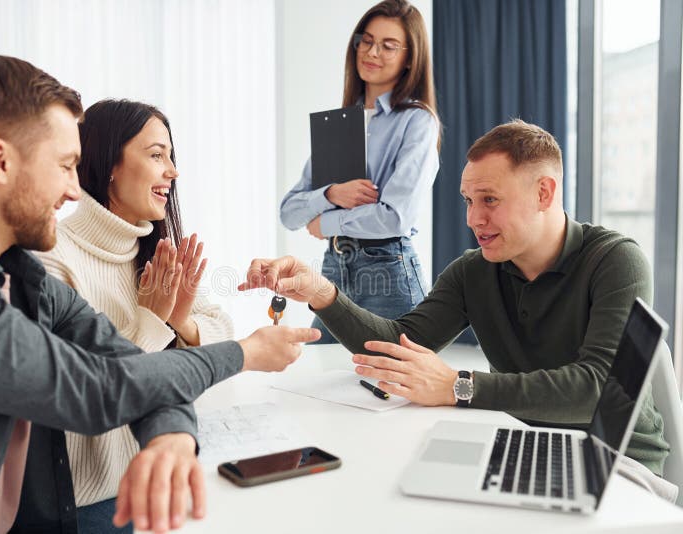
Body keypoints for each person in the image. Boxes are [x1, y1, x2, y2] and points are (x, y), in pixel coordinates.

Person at [0, 54, 320, 534]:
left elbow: (126, 366)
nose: (75, 189)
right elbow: (95, 388)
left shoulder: (17, 270)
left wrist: (172, 432)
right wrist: (244, 353)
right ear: (0, 160)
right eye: (66, 165)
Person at [243, 120, 670, 475]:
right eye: (468, 200)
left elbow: (601, 391)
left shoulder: (617, 261)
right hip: (522, 448)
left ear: (544, 193)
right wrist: (321, 292)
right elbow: (400, 343)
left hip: (615, 464)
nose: (473, 219)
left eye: (490, 200)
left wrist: (458, 386)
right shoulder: (475, 270)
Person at [32, 99, 234, 532]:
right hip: (92, 504)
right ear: (110, 165)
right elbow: (84, 393)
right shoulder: (52, 259)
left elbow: (221, 330)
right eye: (156, 154)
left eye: (171, 156)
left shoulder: (155, 252)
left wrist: (181, 323)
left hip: (161, 479)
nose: (172, 171)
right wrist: (151, 322)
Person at [279, 0, 441, 343]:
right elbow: (289, 212)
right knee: (325, 381)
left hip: (388, 270)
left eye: (388, 45)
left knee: (391, 384)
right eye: (366, 41)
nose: (372, 52)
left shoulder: (417, 122)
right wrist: (331, 194)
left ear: (410, 57)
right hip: (334, 269)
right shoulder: (339, 124)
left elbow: (394, 217)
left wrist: (326, 221)